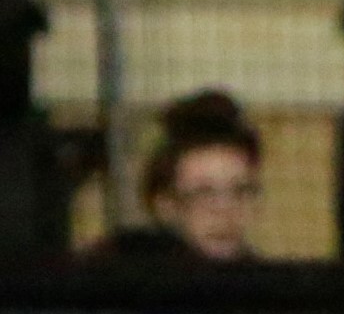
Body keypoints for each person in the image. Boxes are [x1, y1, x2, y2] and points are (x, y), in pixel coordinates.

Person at [98, 88, 262, 260]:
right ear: (165, 204)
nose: (225, 209)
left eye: (240, 190)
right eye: (204, 192)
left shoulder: (268, 281)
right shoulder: (120, 274)